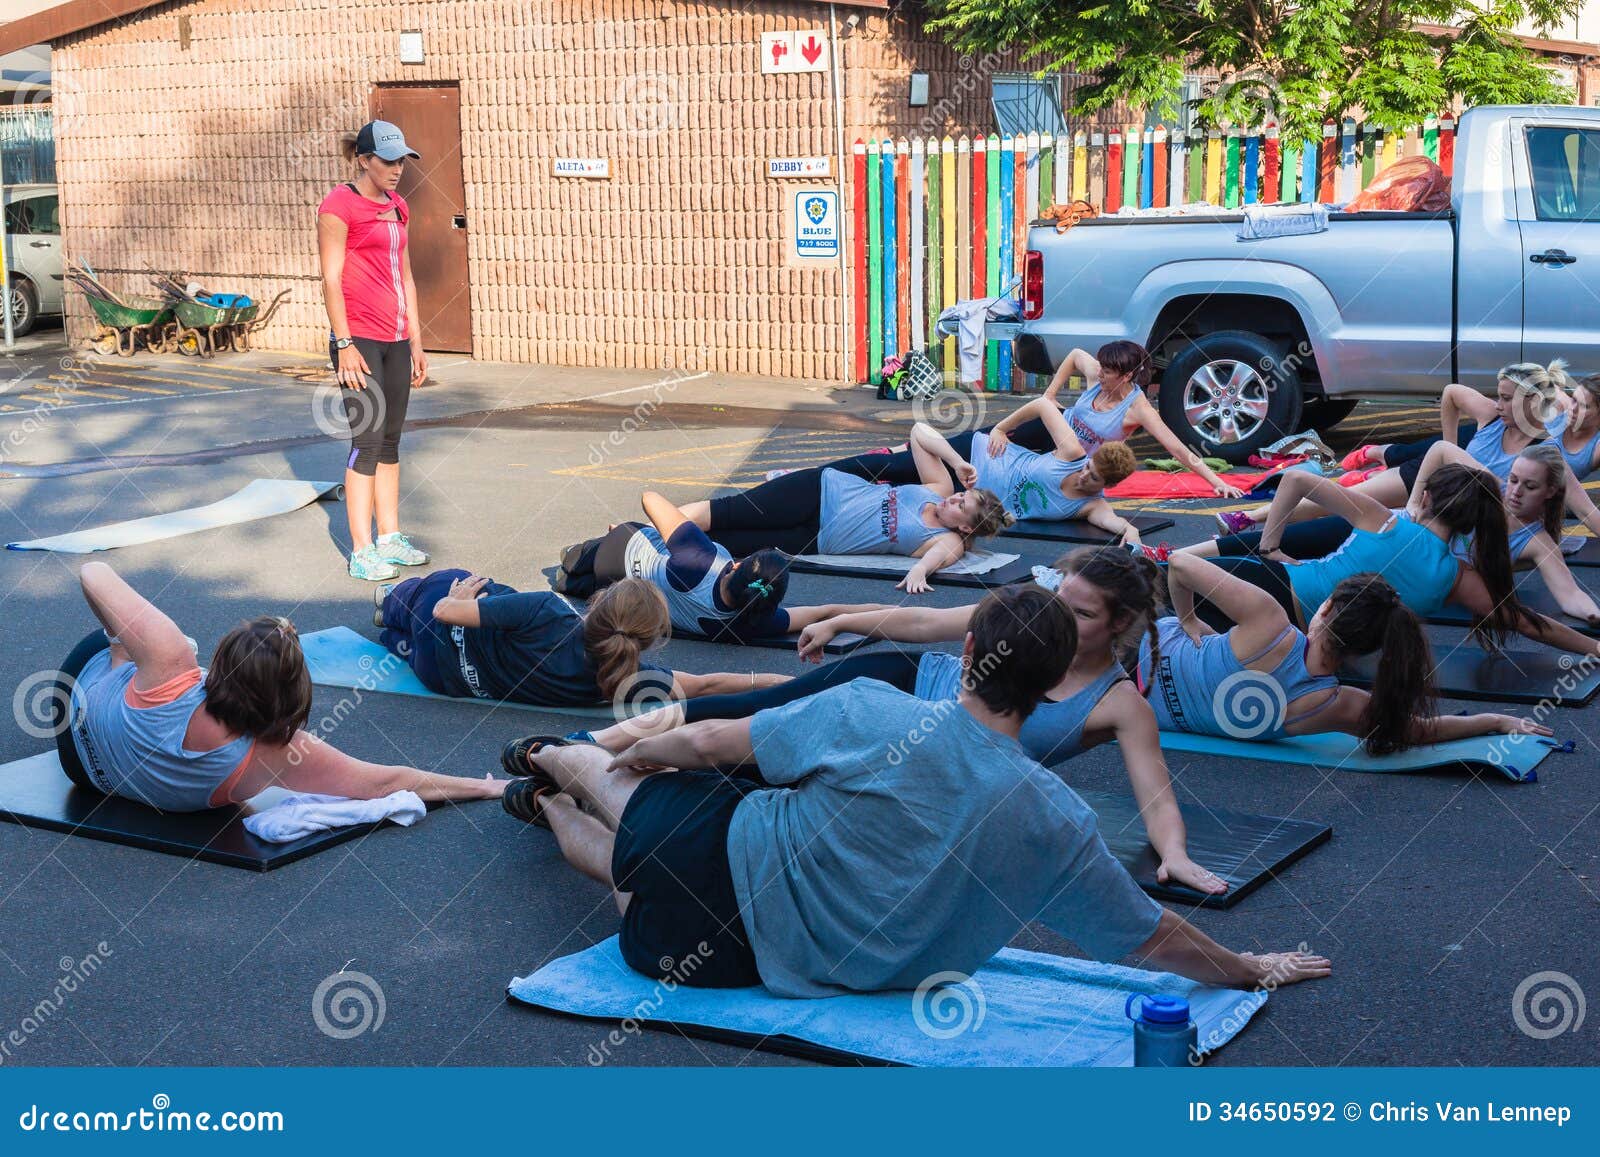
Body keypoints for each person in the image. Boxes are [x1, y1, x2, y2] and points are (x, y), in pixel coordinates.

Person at [503, 586, 1329, 994]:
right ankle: (541, 802)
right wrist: (1249, 966)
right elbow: (1152, 938)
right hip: (737, 965)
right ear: (1049, 689)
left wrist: (649, 758)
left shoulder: (872, 709)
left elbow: (712, 738)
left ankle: (548, 761)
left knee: (633, 795)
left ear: (967, 654)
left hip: (721, 853)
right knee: (622, 873)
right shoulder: (1059, 821)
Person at [568, 547, 1224, 895]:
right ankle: (582, 749)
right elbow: (921, 622)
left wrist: (1175, 855)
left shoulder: (1118, 703)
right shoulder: (1026, 613)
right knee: (748, 717)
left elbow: (1155, 789)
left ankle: (602, 776)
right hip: (896, 685)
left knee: (753, 771)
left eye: (1081, 614)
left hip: (919, 762)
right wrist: (843, 619)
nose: (1061, 615)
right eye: (1063, 599)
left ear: (1118, 625)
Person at [46, 563, 504, 812]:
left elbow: (93, 571)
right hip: (88, 778)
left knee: (170, 643)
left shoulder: (171, 663)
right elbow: (385, 782)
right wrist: (485, 788)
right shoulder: (281, 751)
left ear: (222, 663)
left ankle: (125, 655)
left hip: (74, 707)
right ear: (293, 692)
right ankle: (126, 656)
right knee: (160, 652)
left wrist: (119, 646)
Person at [1182, 463, 1600, 657]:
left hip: (1267, 591)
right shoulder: (1460, 577)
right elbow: (1528, 623)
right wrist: (1593, 648)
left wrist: (1270, 549)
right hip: (1292, 632)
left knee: (1168, 592)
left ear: (1428, 496)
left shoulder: (1382, 521)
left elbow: (1294, 478)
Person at [1152, 552, 1547, 754]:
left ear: (1324, 609)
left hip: (1134, 653)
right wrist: (1493, 720)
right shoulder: (1339, 705)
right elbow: (1417, 730)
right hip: (1141, 702)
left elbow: (1180, 564)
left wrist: (1187, 619)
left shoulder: (1271, 623)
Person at [375, 571, 799, 715]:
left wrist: (460, 595)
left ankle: (389, 603)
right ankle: (392, 634)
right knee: (398, 638)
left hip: (442, 630)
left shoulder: (547, 611)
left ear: (599, 601)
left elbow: (445, 613)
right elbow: (707, 684)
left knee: (449, 581)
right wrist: (790, 685)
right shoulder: (625, 679)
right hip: (440, 676)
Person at [1223, 362, 1566, 531]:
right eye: (1499, 396)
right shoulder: (1491, 415)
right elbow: (1450, 393)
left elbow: (1553, 501)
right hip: (1426, 476)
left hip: (1453, 508)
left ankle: (1254, 527)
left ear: (1529, 401)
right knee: (1335, 501)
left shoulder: (1541, 449)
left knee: (1344, 517)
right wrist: (1447, 447)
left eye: (1506, 398)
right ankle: (1248, 519)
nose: (1498, 403)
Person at [675, 428, 1014, 593]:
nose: (953, 499)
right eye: (960, 496)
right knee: (726, 512)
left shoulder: (946, 541)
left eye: (961, 506)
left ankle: (655, 548)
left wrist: (919, 573)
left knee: (725, 542)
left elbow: (933, 561)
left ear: (966, 529)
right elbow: (919, 433)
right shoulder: (939, 487)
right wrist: (956, 462)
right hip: (818, 491)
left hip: (815, 538)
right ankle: (649, 529)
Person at [318, 120, 432, 582]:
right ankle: (362, 550)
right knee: (365, 442)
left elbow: (406, 277)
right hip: (358, 339)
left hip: (396, 339)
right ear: (363, 160)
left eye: (402, 159)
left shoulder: (400, 207)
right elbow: (330, 277)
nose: (397, 169)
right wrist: (343, 342)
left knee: (390, 441)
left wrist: (417, 341)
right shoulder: (338, 205)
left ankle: (389, 536)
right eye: (387, 160)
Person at [556, 492, 824, 641]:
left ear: (737, 566)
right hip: (618, 592)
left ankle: (577, 557)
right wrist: (853, 613)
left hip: (620, 550)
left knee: (575, 556)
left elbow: (649, 498)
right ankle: (573, 577)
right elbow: (814, 613)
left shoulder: (701, 560)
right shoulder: (751, 622)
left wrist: (662, 530)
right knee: (569, 582)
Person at [1009, 342, 1245, 498]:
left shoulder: (1138, 409)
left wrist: (1216, 481)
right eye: (1100, 368)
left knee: (1018, 477)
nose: (1099, 374)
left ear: (1127, 376)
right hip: (1054, 429)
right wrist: (1049, 395)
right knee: (985, 442)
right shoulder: (1099, 375)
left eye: (1107, 372)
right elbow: (1074, 355)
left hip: (1072, 460)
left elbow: (1177, 449)